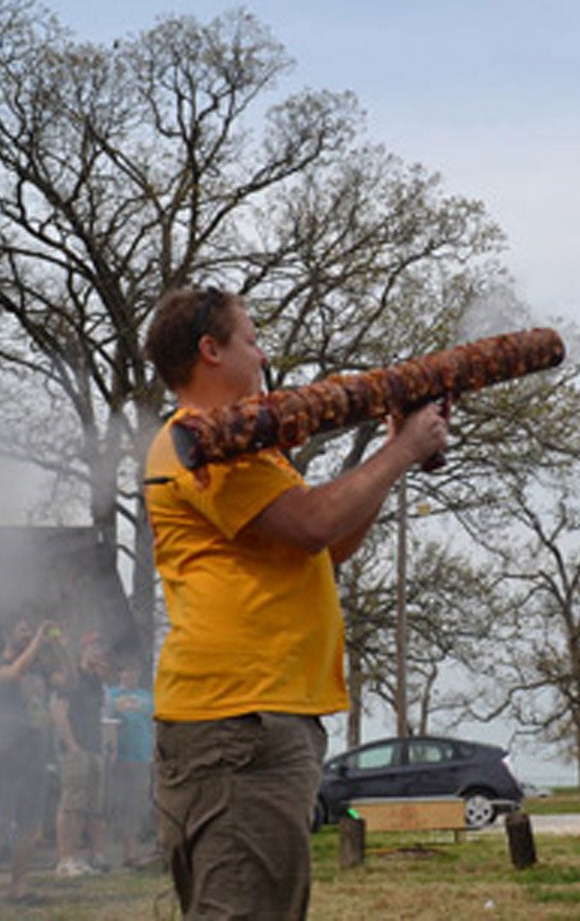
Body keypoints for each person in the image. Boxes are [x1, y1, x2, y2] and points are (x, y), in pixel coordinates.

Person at [142, 285, 447, 919]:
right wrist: (403, 448)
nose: (263, 354)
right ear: (210, 351)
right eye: (250, 340)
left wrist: (397, 450)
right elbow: (312, 523)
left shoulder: (247, 450)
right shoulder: (200, 449)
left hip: (255, 715)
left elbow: (324, 547)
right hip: (240, 718)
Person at [0, 617, 59, 904]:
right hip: (4, 752)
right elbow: (12, 673)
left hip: (34, 752)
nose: (29, 633)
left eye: (30, 628)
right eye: (23, 629)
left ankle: (19, 887)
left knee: (30, 823)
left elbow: (69, 682)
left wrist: (61, 649)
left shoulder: (39, 667)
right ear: (7, 634)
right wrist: (38, 640)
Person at [51, 631, 108, 877]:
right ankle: (65, 859)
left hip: (94, 750)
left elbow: (100, 715)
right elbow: (58, 712)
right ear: (82, 651)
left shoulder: (97, 682)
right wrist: (71, 744)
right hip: (75, 748)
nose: (98, 652)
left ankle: (81, 857)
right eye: (93, 648)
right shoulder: (72, 678)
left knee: (91, 806)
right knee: (71, 804)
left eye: (100, 648)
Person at [103, 657, 156, 867]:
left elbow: (154, 725)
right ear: (120, 674)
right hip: (117, 757)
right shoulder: (110, 695)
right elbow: (106, 722)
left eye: (134, 672)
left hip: (141, 756)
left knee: (135, 806)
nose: (130, 675)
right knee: (112, 803)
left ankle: (130, 852)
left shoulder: (148, 698)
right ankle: (103, 852)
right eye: (126, 671)